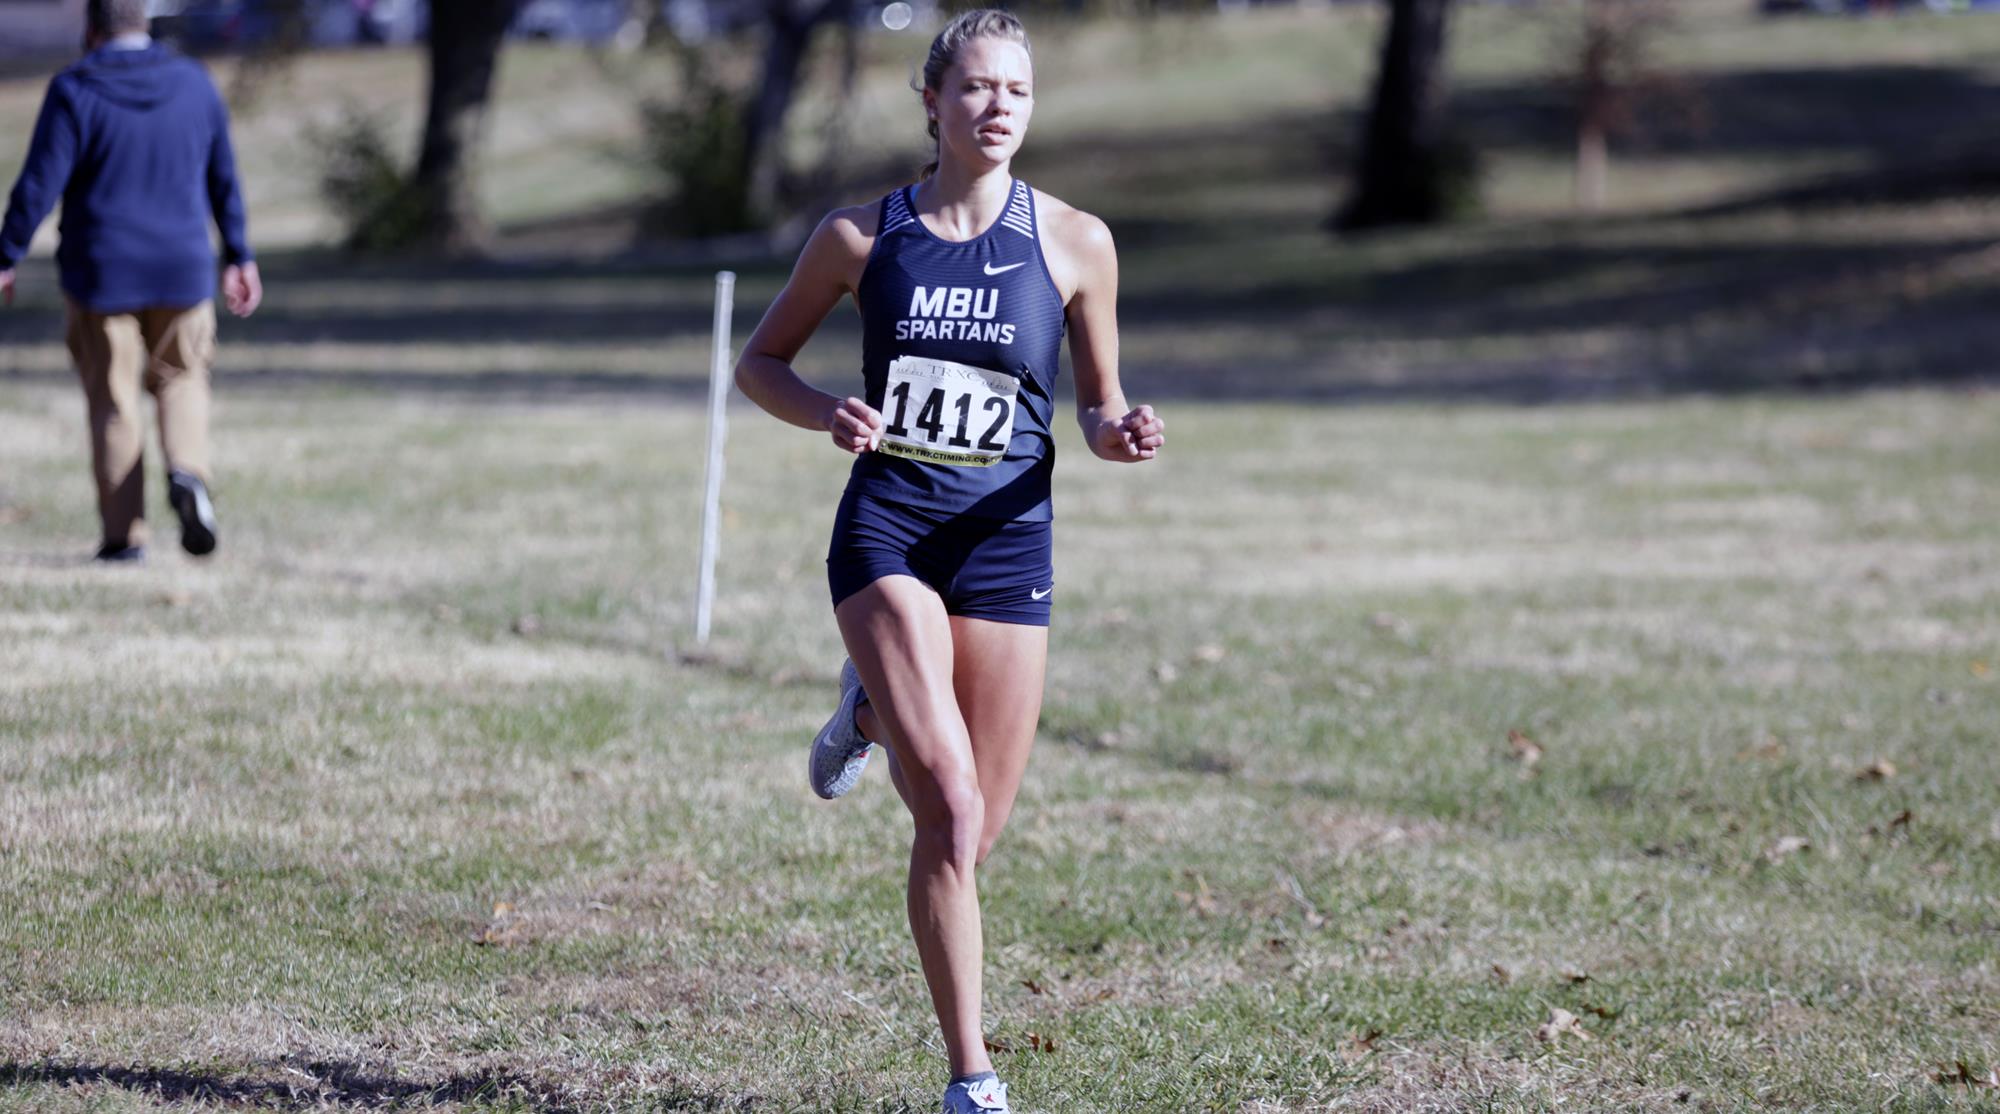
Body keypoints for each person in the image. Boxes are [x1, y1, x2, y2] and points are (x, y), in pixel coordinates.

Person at [733, 10, 1164, 1112]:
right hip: (889, 533)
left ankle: (866, 712)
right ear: (932, 102)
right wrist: (826, 410)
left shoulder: (1077, 241)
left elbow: (1098, 403)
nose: (996, 106)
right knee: (953, 812)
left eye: (1015, 89)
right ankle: (972, 1077)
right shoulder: (860, 237)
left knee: (977, 837)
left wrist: (1116, 430)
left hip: (1008, 546)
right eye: (974, 86)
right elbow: (760, 363)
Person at [0, 0, 262, 564]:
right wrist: (239, 254)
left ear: (90, 29)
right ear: (145, 22)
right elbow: (224, 176)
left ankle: (124, 540)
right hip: (182, 267)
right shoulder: (194, 82)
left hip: (102, 274)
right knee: (183, 377)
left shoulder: (75, 89)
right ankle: (188, 474)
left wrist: (6, 253)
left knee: (114, 399)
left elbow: (39, 184)